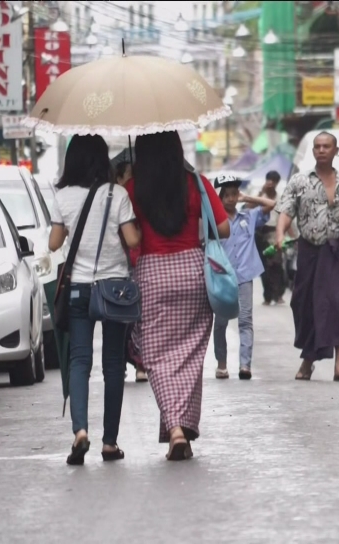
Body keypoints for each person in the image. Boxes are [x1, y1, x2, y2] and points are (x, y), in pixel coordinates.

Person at [125, 131, 230, 461]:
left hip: (152, 274)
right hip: (193, 273)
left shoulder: (132, 188)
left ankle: (174, 429)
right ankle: (181, 425)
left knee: (156, 357)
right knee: (189, 356)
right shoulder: (195, 183)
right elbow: (224, 228)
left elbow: (128, 237)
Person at [48, 135, 141, 466]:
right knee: (114, 363)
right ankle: (110, 442)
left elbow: (54, 243)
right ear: (104, 160)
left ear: (71, 161)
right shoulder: (117, 194)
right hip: (114, 287)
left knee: (79, 361)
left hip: (79, 289)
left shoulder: (63, 196)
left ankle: (80, 431)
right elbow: (132, 239)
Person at [274, 132, 339, 382]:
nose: (321, 150)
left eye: (327, 146)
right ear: (313, 151)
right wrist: (280, 234)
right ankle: (308, 360)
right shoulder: (299, 181)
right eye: (317, 147)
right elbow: (285, 210)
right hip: (309, 252)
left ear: (336, 150)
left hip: (336, 252)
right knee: (304, 305)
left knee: (336, 304)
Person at [212, 174, 276, 380]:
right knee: (221, 322)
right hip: (222, 278)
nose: (231, 199)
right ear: (220, 198)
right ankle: (222, 364)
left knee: (245, 321)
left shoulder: (248, 217)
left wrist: (247, 198)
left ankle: (245, 365)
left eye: (234, 195)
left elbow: (271, 204)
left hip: (245, 276)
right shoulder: (214, 222)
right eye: (226, 195)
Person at [112, 152, 148, 383]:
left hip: (138, 262)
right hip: (118, 265)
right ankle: (125, 361)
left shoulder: (138, 195)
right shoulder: (115, 198)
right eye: (127, 175)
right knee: (122, 319)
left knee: (138, 317)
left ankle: (139, 363)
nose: (131, 179)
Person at [254, 171, 286, 305]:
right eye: (269, 180)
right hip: (261, 234)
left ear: (277, 183)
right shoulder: (260, 195)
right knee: (263, 267)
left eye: (273, 180)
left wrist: (289, 235)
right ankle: (267, 296)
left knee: (277, 265)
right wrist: (261, 193)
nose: (270, 183)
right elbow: (250, 208)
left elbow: (285, 216)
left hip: (274, 234)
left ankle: (278, 294)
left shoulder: (280, 198)